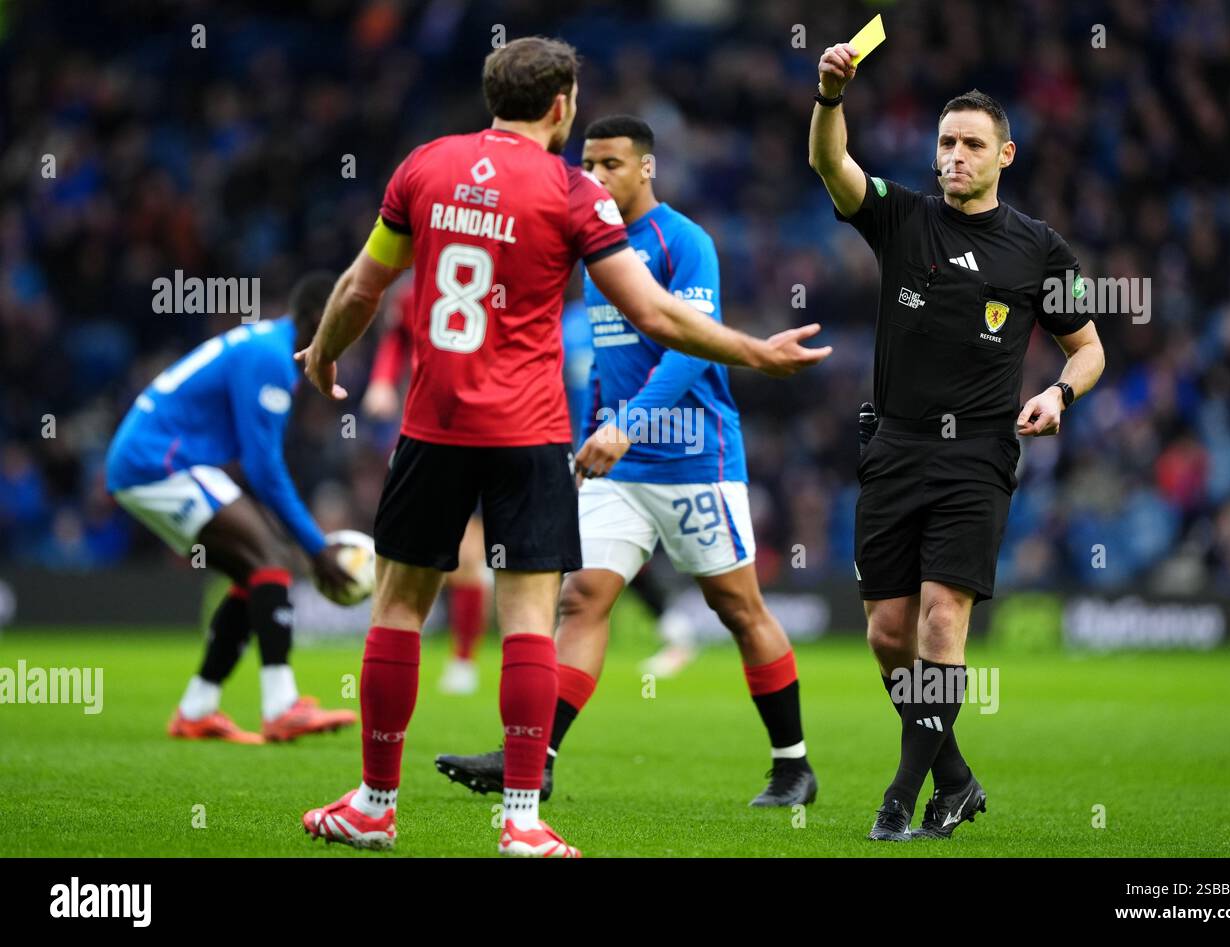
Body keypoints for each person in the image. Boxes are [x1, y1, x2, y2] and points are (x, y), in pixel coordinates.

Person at [298, 36, 831, 856]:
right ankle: (521, 817)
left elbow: (364, 285)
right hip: (533, 434)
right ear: (561, 106)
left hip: (438, 425)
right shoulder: (570, 192)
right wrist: (758, 351)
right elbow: (653, 316)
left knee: (399, 607)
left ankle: (375, 802)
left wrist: (327, 350)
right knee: (537, 619)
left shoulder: (425, 167)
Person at [435, 116, 817, 810]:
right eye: (586, 163)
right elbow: (608, 367)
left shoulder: (684, 241)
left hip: (698, 457)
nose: (595, 176)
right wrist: (588, 439)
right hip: (620, 467)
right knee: (582, 596)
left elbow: (692, 347)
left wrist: (628, 425)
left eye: (610, 163)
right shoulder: (594, 250)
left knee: (737, 606)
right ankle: (537, 757)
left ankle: (792, 764)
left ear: (646, 168)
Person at [809, 44, 1105, 840]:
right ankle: (957, 777)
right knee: (886, 635)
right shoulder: (900, 216)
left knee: (942, 623)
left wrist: (1057, 390)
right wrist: (831, 95)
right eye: (946, 142)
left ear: (1005, 154)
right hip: (894, 449)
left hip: (977, 454)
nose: (956, 156)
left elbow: (1089, 346)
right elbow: (829, 161)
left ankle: (900, 800)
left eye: (972, 143)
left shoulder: (1039, 247)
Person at [104, 272, 359, 745]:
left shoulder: (268, 346)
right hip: (157, 462)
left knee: (254, 571)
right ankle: (281, 707)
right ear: (316, 319)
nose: (351, 332)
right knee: (273, 560)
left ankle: (197, 708)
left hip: (155, 460)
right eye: (344, 319)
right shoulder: (271, 359)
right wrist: (317, 547)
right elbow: (263, 469)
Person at [361, 281, 491, 696]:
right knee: (405, 556)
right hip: (422, 432)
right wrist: (381, 382)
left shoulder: (493, 276)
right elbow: (396, 339)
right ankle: (392, 652)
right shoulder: (408, 290)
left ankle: (463, 659)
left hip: (485, 431)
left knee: (470, 556)